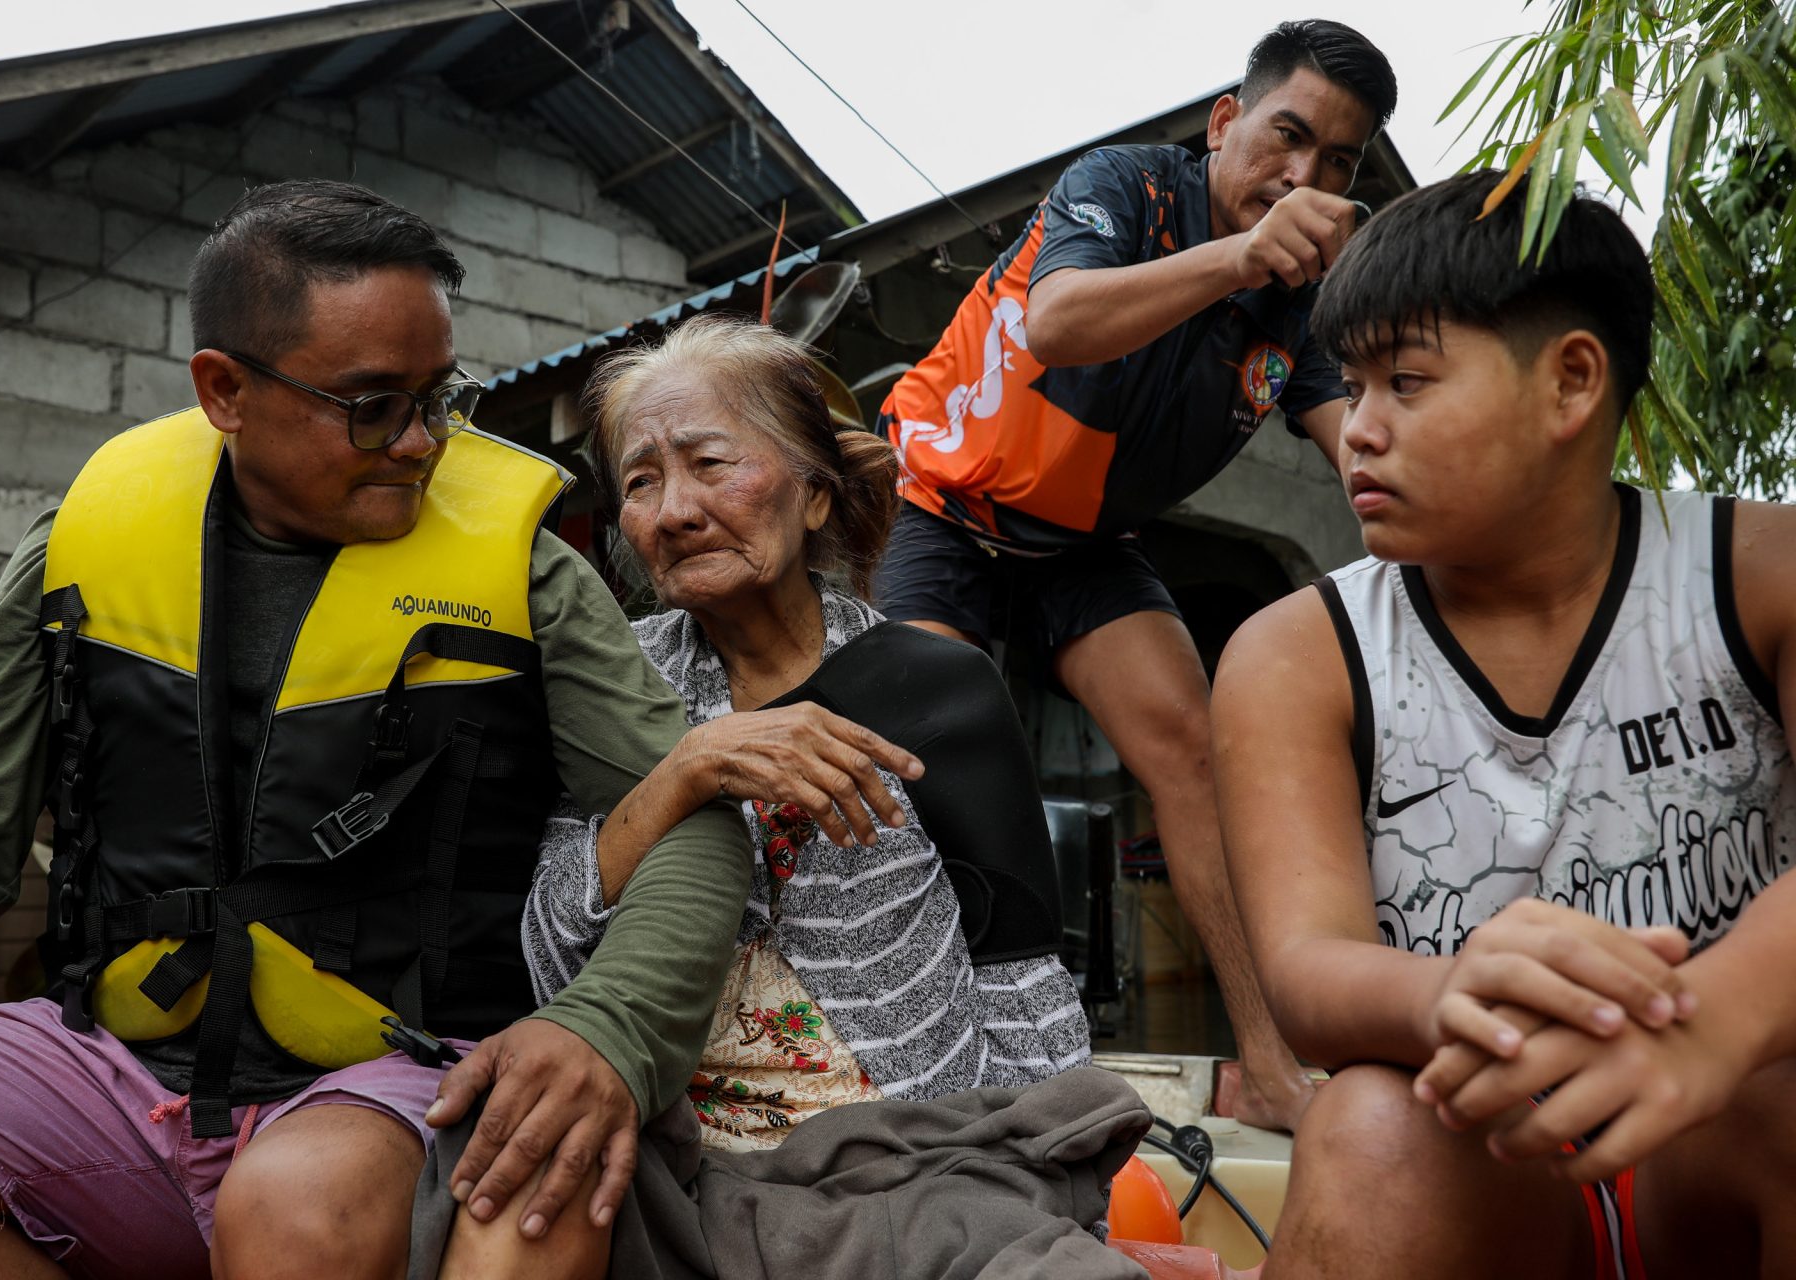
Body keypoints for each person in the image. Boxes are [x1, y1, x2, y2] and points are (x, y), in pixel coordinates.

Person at [0, 181, 752, 1280]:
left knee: (294, 1205)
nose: (421, 442)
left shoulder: (529, 575)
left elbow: (689, 822)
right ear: (225, 390)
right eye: (374, 404)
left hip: (406, 1078)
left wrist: (609, 1030)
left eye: (441, 397)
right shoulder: (79, 547)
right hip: (117, 1071)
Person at [1212, 171, 1796, 1277]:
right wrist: (1452, 991)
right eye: (1353, 386)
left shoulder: (1760, 577)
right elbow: (1307, 968)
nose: (1358, 430)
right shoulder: (1297, 653)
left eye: (1407, 381)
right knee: (1368, 1131)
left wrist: (1712, 1019)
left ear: (1570, 380)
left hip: (1723, 1147)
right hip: (1480, 1153)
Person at [874, 18, 1399, 1131]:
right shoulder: (1121, 188)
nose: (1305, 177)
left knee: (1192, 745)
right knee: (924, 758)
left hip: (1080, 542)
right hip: (942, 503)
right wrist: (1242, 256)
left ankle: (1269, 1065)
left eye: (1339, 162)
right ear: (1225, 123)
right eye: (1288, 136)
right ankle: (925, 1073)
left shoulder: (1301, 307)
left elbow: (1358, 448)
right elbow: (1059, 321)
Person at [524, 313, 1090, 1154]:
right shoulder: (610, 683)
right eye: (641, 482)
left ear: (814, 494)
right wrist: (690, 768)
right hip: (666, 1151)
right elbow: (549, 955)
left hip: (914, 1155)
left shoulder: (937, 687)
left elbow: (1020, 977)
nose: (674, 511)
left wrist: (1039, 1169)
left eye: (711, 464)